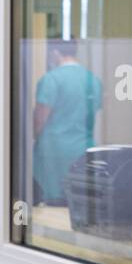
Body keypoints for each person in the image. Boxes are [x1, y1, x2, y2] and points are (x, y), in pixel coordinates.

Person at [32, 40, 102, 205]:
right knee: (77, 201)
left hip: (53, 152)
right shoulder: (93, 80)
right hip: (82, 150)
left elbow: (40, 119)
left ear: (55, 53)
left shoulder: (51, 79)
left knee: (51, 203)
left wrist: (32, 136)